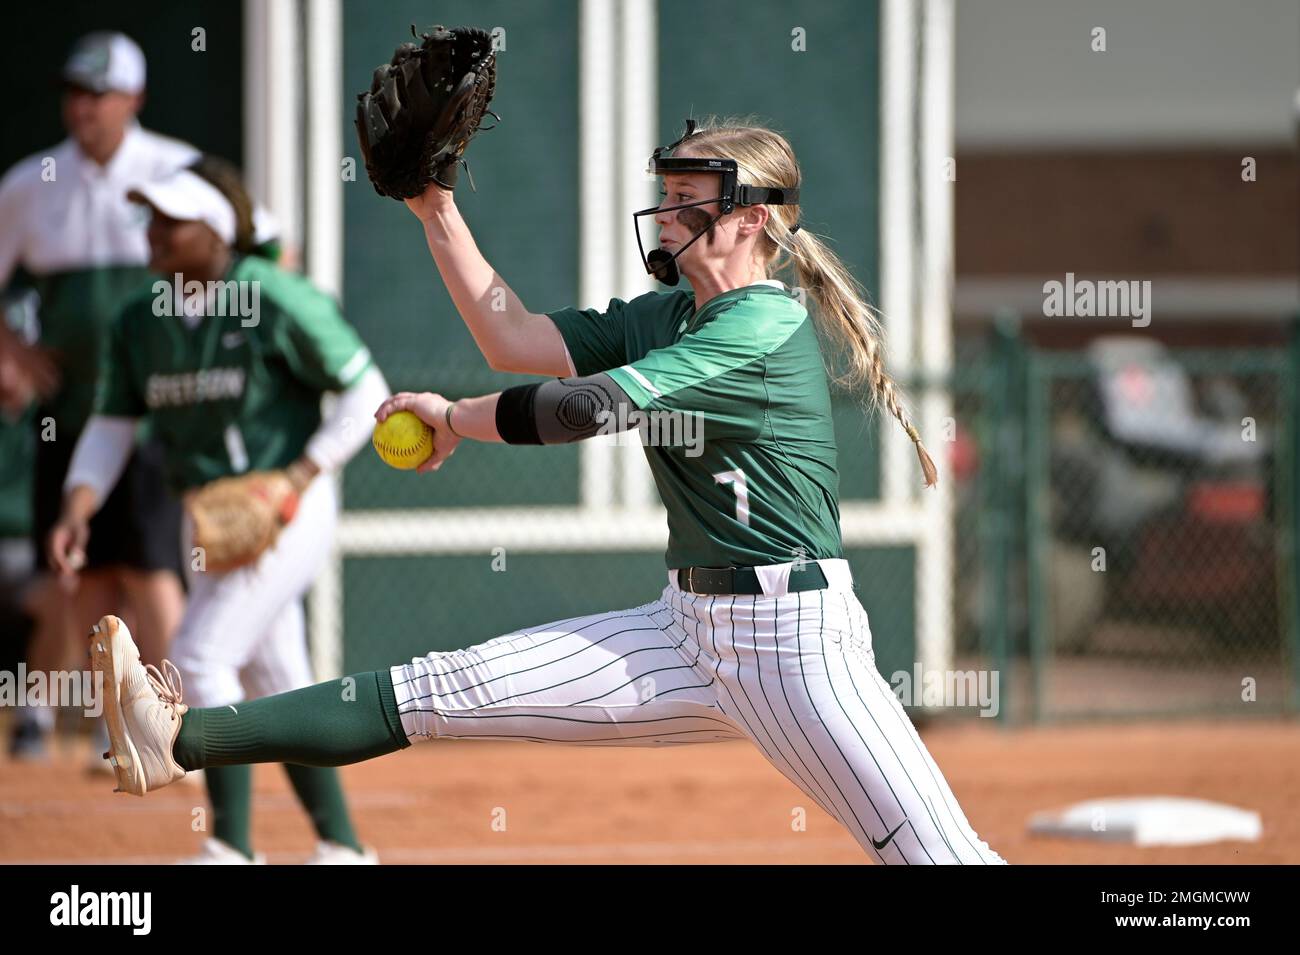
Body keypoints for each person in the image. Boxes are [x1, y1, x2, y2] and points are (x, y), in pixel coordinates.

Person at [89, 117, 1006, 864]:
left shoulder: (758, 327)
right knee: (436, 689)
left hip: (797, 647)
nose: (669, 214)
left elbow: (582, 409)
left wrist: (455, 421)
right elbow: (517, 342)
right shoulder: (674, 312)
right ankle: (175, 735)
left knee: (941, 857)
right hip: (683, 630)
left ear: (756, 220)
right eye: (670, 196)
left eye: (694, 202)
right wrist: (433, 210)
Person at [53, 159, 390, 864]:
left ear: (214, 232)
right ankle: (345, 847)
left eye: (173, 221)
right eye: (151, 218)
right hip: (207, 513)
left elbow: (368, 394)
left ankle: (231, 847)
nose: (156, 234)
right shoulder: (140, 317)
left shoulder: (272, 296)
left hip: (283, 504)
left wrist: (296, 477)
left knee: (202, 654)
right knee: (279, 682)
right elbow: (114, 424)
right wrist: (78, 505)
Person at [0, 32, 192, 761]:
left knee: (149, 569)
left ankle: (176, 718)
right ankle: (39, 718)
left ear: (132, 100)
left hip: (150, 418)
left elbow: (255, 254)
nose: (82, 107)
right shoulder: (30, 183)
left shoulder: (174, 172)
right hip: (69, 416)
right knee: (68, 568)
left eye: (97, 93)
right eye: (74, 93)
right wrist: (13, 349)